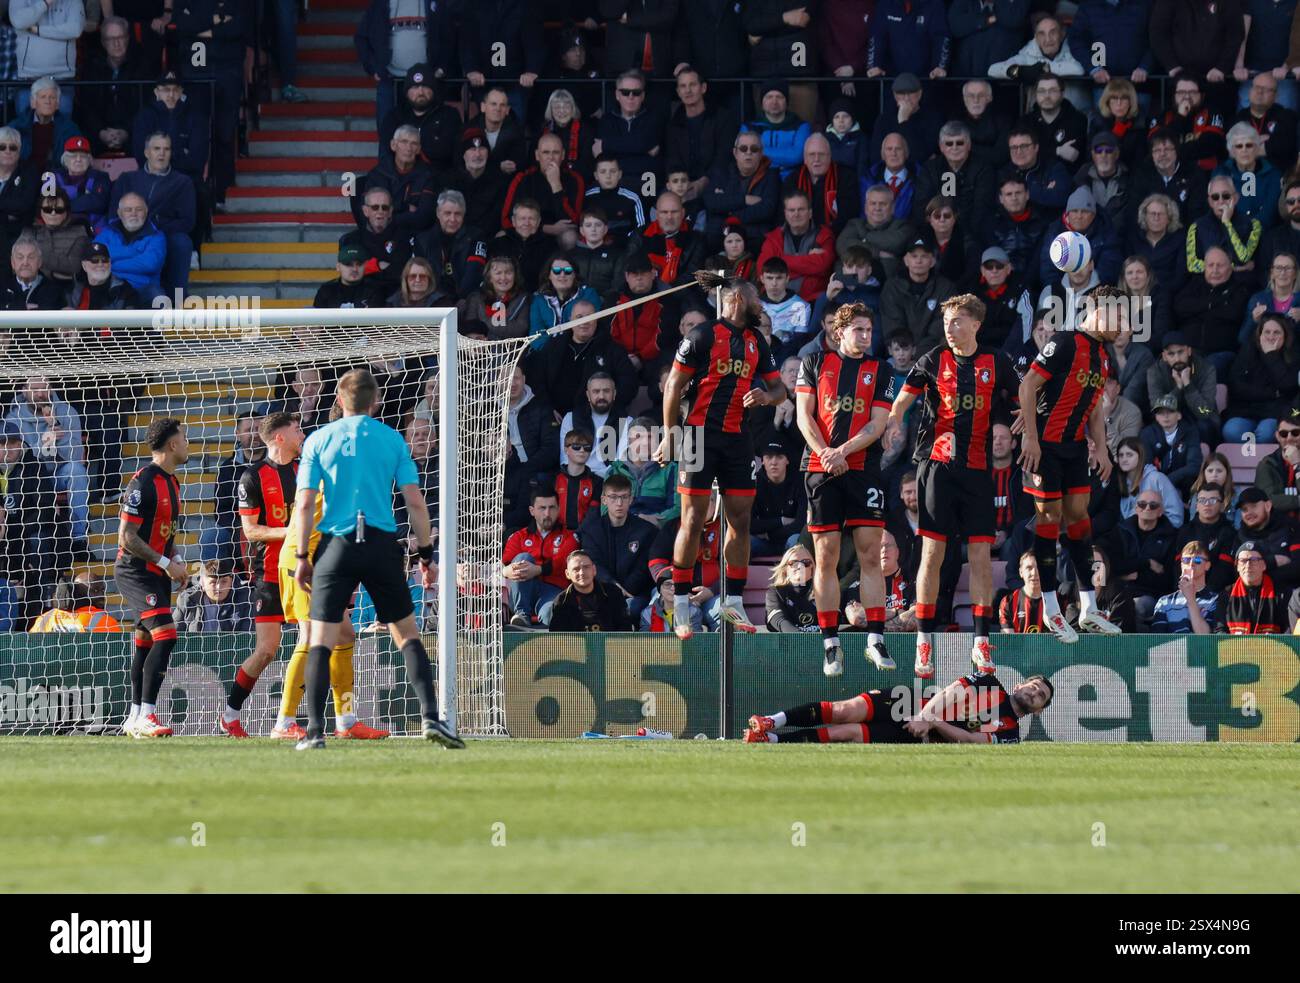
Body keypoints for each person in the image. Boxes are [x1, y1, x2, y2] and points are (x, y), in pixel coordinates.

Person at [291, 368, 458, 750]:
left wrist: (302, 555)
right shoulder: (392, 440)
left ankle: (315, 732)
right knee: (407, 636)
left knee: (321, 639)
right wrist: (425, 552)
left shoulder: (318, 439)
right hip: (382, 543)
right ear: (376, 400)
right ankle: (431, 719)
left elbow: (303, 504)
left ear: (338, 399)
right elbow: (414, 500)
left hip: (336, 544)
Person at [886, 294, 1021, 678]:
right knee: (933, 554)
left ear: (976, 324)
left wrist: (1027, 421)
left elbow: (1023, 391)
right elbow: (902, 399)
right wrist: (895, 421)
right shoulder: (931, 360)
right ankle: (923, 641)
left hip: (977, 470)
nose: (950, 326)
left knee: (979, 556)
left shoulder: (995, 361)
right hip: (937, 468)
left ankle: (981, 642)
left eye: (958, 320)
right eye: (947, 319)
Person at [654, 272, 786, 637]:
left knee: (740, 522)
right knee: (693, 519)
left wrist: (766, 396)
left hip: (737, 440)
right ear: (738, 299)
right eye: (756, 295)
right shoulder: (702, 336)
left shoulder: (758, 341)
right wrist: (669, 436)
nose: (761, 301)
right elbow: (673, 387)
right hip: (697, 435)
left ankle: (734, 601)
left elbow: (780, 390)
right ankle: (681, 602)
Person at [1018, 284, 1127, 642]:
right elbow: (1028, 385)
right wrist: (1031, 438)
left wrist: (1101, 449)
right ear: (1097, 310)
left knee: (1080, 517)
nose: (1124, 324)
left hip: (1076, 447)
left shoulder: (1103, 355)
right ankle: (1050, 609)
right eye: (1119, 315)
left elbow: (1095, 406)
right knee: (1050, 518)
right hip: (1045, 446)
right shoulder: (1065, 341)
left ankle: (1089, 608)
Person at [795, 302, 896, 676]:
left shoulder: (880, 369)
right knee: (826, 558)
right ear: (839, 332)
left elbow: (877, 424)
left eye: (869, 330)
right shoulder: (815, 363)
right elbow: (805, 416)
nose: (866, 337)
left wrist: (842, 452)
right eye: (858, 330)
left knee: (871, 556)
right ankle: (830, 643)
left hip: (862, 469)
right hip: (820, 470)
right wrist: (825, 453)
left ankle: (875, 638)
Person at [216, 414, 302, 737]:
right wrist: (290, 532)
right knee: (267, 650)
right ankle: (230, 715)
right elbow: (250, 531)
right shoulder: (252, 477)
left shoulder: (303, 470)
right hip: (269, 573)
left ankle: (303, 719)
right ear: (279, 437)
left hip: (303, 571)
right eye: (297, 429)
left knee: (318, 638)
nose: (302, 433)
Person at [115, 418, 190, 738]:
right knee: (166, 635)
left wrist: (174, 559)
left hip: (157, 571)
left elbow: (164, 534)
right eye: (184, 438)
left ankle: (133, 718)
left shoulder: (172, 482)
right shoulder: (143, 482)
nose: (188, 443)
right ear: (172, 445)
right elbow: (126, 537)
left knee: (145, 644)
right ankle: (148, 714)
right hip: (135, 571)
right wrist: (163, 562)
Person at [744, 671, 1054, 744]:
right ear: (1019, 685)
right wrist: (925, 715)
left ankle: (771, 740)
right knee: (844, 710)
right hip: (909, 703)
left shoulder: (1012, 733)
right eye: (1033, 685)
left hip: (921, 735)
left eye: (1040, 695)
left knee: (845, 732)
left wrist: (930, 725)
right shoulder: (989, 681)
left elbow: (972, 740)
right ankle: (773, 720)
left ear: (1038, 710)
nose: (1033, 692)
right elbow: (949, 693)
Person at [502, 486, 580, 628]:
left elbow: (563, 562)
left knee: (551, 612)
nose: (547, 513)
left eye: (552, 508)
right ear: (532, 511)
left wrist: (537, 570)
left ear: (559, 509)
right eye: (542, 508)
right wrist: (505, 571)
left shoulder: (570, 537)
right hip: (523, 590)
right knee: (523, 557)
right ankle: (521, 615)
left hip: (554, 590)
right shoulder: (519, 537)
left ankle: (543, 640)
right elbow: (505, 563)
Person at [548, 550, 634, 632]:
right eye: (576, 569)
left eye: (586, 567)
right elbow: (558, 641)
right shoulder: (561, 602)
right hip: (575, 647)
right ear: (567, 574)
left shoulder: (613, 593)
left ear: (594, 570)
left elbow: (625, 630)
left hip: (610, 646)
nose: (582, 572)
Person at [1149, 540, 1224, 634]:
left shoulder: (1216, 600)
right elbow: (1156, 641)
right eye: (1186, 560)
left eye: (1197, 560)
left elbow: (1206, 638)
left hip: (1200, 649)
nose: (1191, 564)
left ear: (1207, 566)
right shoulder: (1165, 602)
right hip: (1171, 649)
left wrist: (1191, 600)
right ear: (1181, 565)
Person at [750, 442, 807, 559]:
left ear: (787, 461)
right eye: (769, 457)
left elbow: (800, 524)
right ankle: (738, 577)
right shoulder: (755, 483)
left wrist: (769, 534)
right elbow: (749, 524)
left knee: (797, 540)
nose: (774, 462)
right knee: (742, 542)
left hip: (788, 540)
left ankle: (797, 576)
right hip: (763, 543)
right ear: (763, 461)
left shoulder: (799, 482)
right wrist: (781, 521)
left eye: (779, 457)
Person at [173, 557, 254, 632]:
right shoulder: (187, 599)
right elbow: (175, 634)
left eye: (224, 581)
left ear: (231, 582)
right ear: (203, 584)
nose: (219, 588)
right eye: (213, 582)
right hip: (195, 647)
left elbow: (246, 639)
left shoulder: (245, 599)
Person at [1223, 540, 1287, 633]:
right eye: (1243, 561)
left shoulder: (1281, 594)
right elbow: (1219, 630)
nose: (1248, 565)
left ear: (1264, 565)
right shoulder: (1226, 594)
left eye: (1254, 560)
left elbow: (1289, 629)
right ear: (1237, 566)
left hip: (1272, 646)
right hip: (1236, 647)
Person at [764, 544, 818, 633]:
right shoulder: (775, 592)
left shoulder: (823, 590)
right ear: (785, 569)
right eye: (793, 563)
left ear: (812, 567)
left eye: (805, 562)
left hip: (821, 644)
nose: (800, 566)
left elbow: (834, 618)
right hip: (789, 644)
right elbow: (778, 620)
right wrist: (802, 638)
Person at [1253, 412, 1300, 514]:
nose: (1289, 438)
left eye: (1295, 433)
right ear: (1277, 436)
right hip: (1277, 526)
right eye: (1284, 434)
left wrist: (1297, 464)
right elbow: (1268, 501)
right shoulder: (1267, 464)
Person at [999, 551, 1052, 633]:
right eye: (1029, 568)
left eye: (1039, 567)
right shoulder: (1008, 602)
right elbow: (1008, 642)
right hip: (1017, 646)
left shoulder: (1057, 600)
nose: (1034, 573)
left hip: (1050, 646)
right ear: (1021, 572)